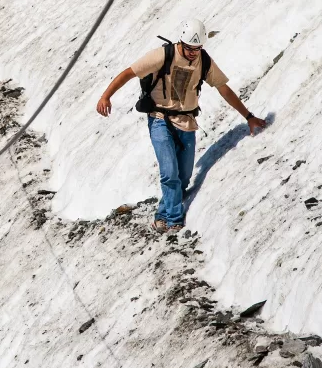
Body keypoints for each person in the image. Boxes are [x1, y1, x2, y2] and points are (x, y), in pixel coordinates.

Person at [96, 18, 266, 234]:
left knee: (183, 176)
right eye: (190, 48)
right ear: (181, 43)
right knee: (169, 172)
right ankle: (173, 218)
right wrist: (105, 97)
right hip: (159, 119)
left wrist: (248, 116)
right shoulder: (163, 55)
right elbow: (129, 73)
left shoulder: (203, 61)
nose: (194, 53)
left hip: (187, 120)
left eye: (198, 48)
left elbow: (224, 89)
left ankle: (161, 212)